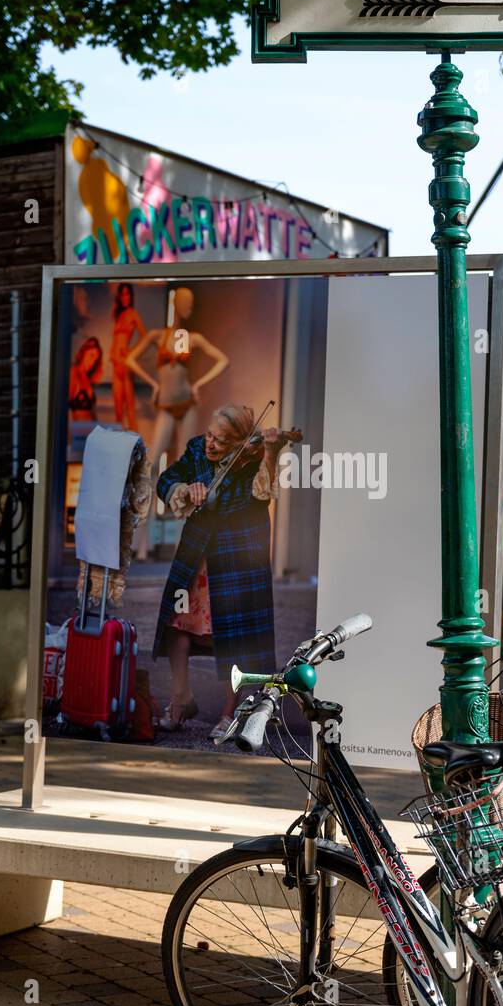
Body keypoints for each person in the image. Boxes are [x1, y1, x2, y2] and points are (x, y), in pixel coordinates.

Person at [152, 404, 296, 742]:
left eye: (220, 441)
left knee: (230, 633)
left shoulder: (253, 460)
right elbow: (166, 480)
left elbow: (261, 496)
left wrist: (272, 451)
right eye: (209, 435)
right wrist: (187, 490)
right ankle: (180, 699)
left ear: (238, 444)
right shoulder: (195, 450)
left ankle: (229, 713)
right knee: (177, 622)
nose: (210, 444)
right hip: (198, 549)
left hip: (236, 553)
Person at [126, 286, 229, 559]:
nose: (189, 308)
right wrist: (153, 384)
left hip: (187, 405)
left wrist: (198, 385)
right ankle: (141, 543)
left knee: (191, 465)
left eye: (192, 304)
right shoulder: (158, 336)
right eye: (186, 302)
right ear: (176, 302)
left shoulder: (191, 338)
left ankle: (186, 543)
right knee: (149, 465)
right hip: (166, 407)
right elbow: (129, 359)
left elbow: (223, 360)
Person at [110, 284, 146, 430]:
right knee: (118, 408)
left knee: (130, 408)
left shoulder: (133, 314)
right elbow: (116, 340)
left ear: (131, 296)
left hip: (125, 363)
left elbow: (145, 337)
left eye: (127, 294)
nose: (125, 297)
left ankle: (137, 448)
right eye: (122, 294)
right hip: (115, 363)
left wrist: (131, 352)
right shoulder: (117, 314)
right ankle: (118, 446)